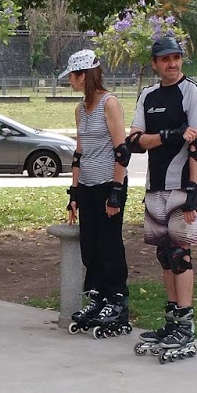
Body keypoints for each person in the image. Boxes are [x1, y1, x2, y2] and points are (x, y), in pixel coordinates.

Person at [126, 34, 197, 361]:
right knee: (164, 255)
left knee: (180, 254)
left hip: (181, 187)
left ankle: (186, 326)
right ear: (155, 64)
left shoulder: (191, 91)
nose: (172, 64)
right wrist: (168, 135)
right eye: (165, 59)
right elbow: (134, 142)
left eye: (176, 57)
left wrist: (193, 192)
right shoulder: (147, 96)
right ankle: (172, 320)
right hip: (156, 186)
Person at [61, 49, 130, 336]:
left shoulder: (109, 104)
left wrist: (116, 191)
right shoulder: (80, 110)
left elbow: (122, 150)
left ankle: (117, 300)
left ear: (83, 76)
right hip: (88, 186)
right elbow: (79, 152)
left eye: (71, 77)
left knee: (108, 244)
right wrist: (74, 193)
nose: (69, 82)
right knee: (89, 245)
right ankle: (98, 297)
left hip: (108, 184)